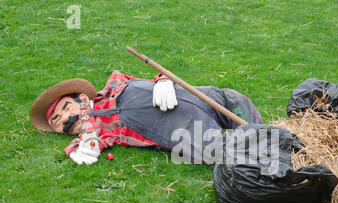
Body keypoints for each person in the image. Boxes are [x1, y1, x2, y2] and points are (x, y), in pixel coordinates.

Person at [30, 71, 263, 165]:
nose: (64, 119)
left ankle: (283, 137)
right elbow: (87, 143)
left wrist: (163, 80)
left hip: (195, 95)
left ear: (82, 98)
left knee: (235, 102)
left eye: (65, 108)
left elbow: (150, 76)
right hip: (184, 128)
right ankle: (283, 157)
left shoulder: (116, 82)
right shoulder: (96, 129)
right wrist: (74, 149)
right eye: (57, 122)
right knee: (234, 152)